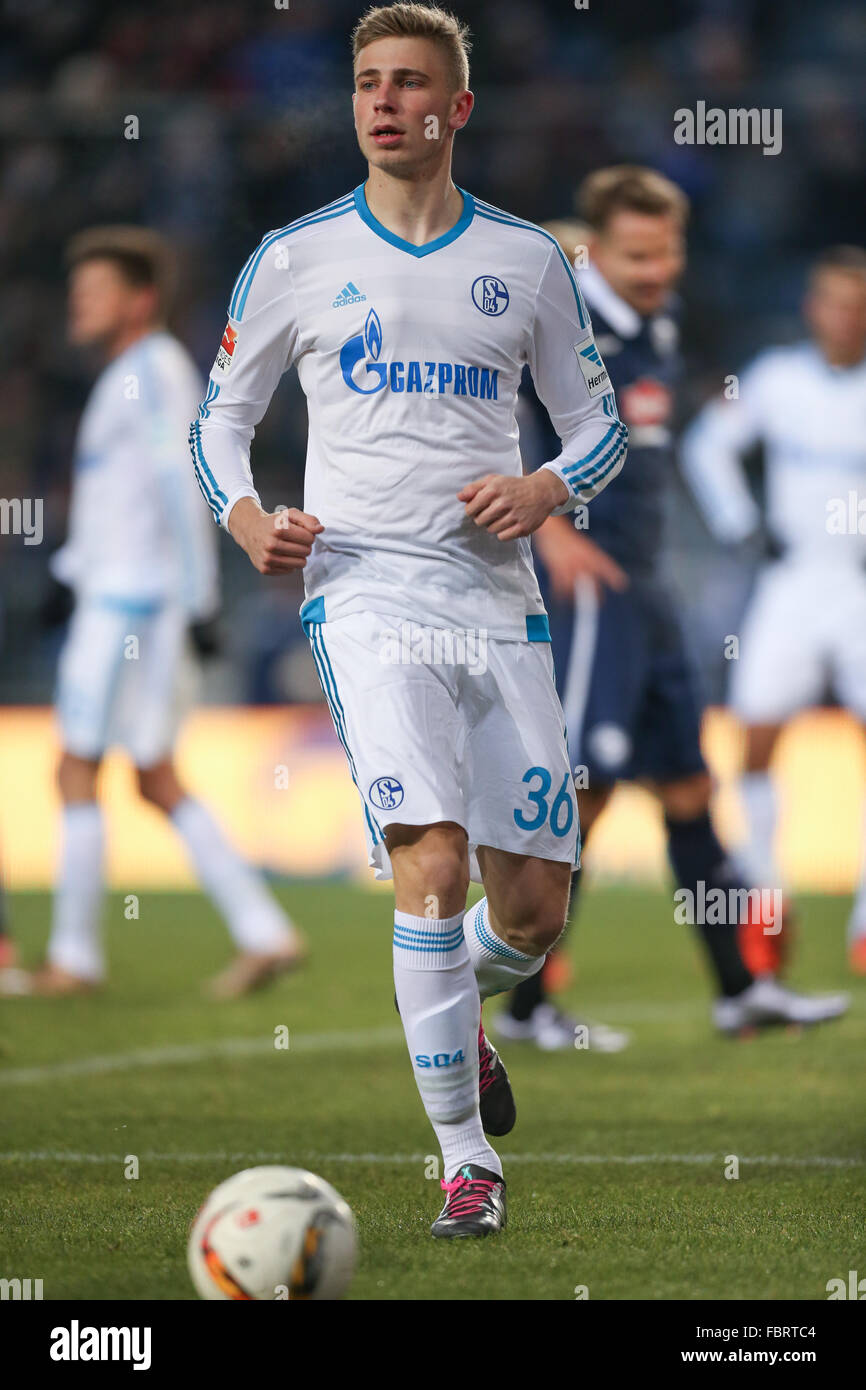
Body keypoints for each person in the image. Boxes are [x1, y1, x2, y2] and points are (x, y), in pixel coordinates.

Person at [190, 3, 627, 1238]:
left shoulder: (530, 260)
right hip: (363, 591)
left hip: (497, 598)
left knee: (533, 908)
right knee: (427, 866)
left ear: (459, 108)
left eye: (410, 84)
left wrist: (547, 485)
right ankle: (463, 1162)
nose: (384, 102)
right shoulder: (294, 256)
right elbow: (220, 419)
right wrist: (242, 516)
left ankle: (459, 1007)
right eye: (367, 83)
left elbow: (597, 425)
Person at [500, 168, 848, 1048]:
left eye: (669, 251)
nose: (658, 269)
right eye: (638, 254)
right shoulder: (561, 321)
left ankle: (741, 992)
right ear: (596, 249)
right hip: (591, 588)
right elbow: (494, 412)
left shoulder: (655, 319)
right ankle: (522, 1005)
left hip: (646, 587)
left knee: (690, 788)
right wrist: (546, 533)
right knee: (582, 790)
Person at [29, 225, 302, 1000]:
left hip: (128, 605)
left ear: (140, 299)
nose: (79, 303)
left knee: (76, 767)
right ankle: (266, 932)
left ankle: (75, 958)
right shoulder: (142, 370)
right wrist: (68, 568)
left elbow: (182, 482)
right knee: (154, 775)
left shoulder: (148, 372)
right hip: (135, 597)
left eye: (96, 290)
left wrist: (200, 599)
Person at [681, 245, 866, 975]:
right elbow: (708, 447)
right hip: (791, 584)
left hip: (860, 586)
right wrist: (738, 522)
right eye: (834, 302)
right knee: (754, 741)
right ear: (812, 309)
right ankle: (765, 896)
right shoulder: (776, 379)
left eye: (857, 306)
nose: (845, 318)